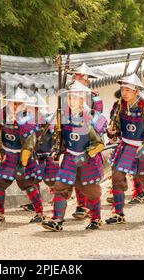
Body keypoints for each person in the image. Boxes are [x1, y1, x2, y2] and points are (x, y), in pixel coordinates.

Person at [41, 81, 105, 231]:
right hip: (70, 157)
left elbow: (100, 143)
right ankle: (57, 220)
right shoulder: (64, 116)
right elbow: (63, 138)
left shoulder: (91, 117)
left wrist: (87, 154)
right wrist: (58, 150)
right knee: (60, 186)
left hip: (87, 160)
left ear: (83, 100)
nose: (71, 101)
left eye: (75, 98)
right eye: (69, 98)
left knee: (91, 190)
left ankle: (96, 219)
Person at [106, 74, 144, 224]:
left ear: (137, 91)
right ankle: (119, 214)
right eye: (122, 89)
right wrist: (112, 131)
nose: (124, 93)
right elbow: (117, 126)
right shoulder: (120, 105)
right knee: (117, 177)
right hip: (125, 146)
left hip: (142, 146)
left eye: (128, 90)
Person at [0, 88, 45, 223]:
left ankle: (40, 213)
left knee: (29, 185)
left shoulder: (28, 120)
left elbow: (29, 144)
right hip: (7, 156)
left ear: (24, 105)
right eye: (12, 103)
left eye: (18, 103)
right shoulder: (0, 115)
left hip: (23, 156)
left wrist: (23, 163)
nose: (14, 106)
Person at [67, 63, 107, 220]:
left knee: (88, 174)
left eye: (79, 76)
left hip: (90, 135)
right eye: (74, 76)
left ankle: (93, 206)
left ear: (87, 80)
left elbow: (98, 116)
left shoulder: (94, 96)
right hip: (73, 135)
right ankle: (80, 205)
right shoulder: (68, 94)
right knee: (75, 172)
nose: (76, 78)